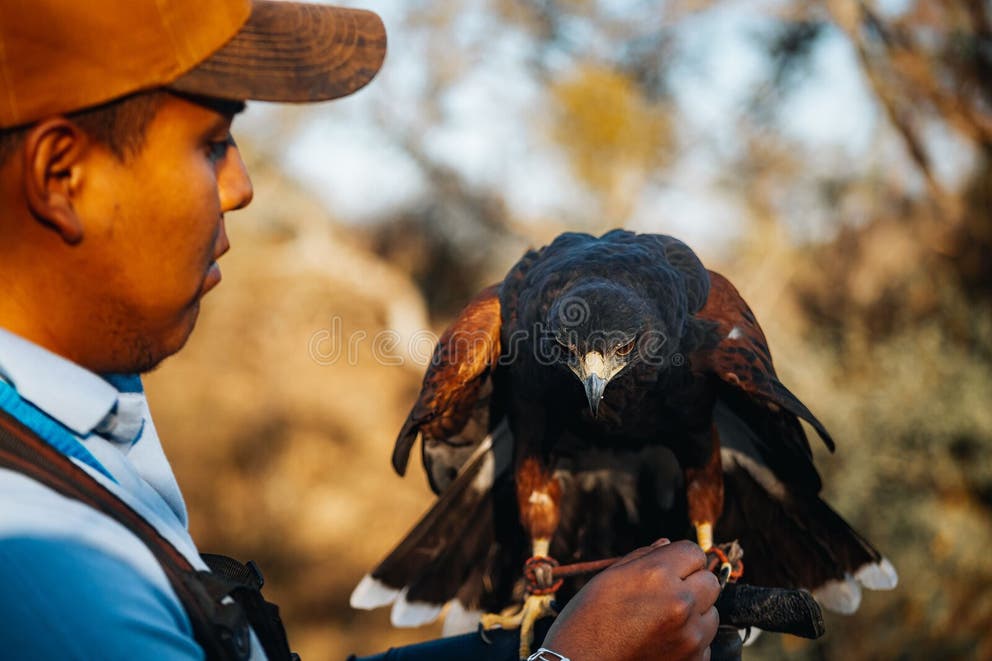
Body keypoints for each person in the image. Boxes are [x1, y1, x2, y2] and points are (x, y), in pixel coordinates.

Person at [0, 1, 720, 659]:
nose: (241, 185)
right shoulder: (48, 563)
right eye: (213, 142)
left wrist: (518, 650)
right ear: (62, 176)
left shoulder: (79, 407)